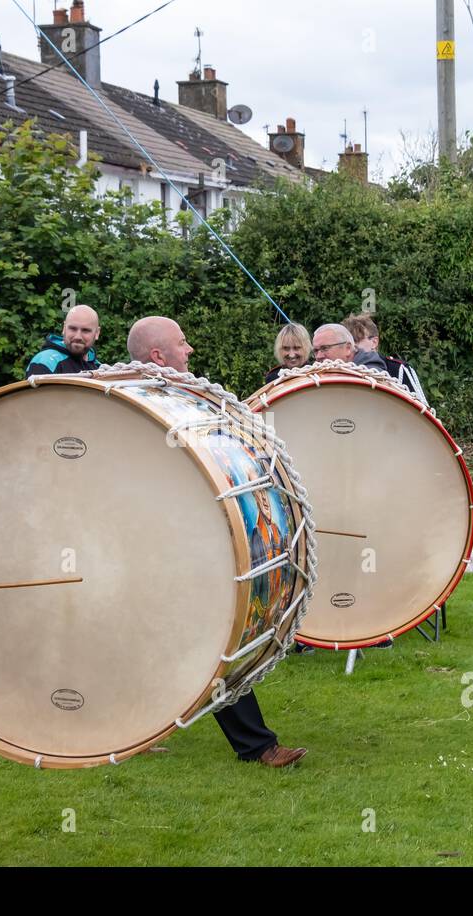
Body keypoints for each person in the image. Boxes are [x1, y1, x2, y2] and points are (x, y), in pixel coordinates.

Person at [127, 315, 307, 768]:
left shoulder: (173, 398)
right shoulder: (135, 402)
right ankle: (256, 746)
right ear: (158, 356)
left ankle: (135, 728)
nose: (189, 351)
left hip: (178, 539)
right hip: (144, 544)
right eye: (182, 343)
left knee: (173, 638)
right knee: (204, 638)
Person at [341, 313, 427, 401]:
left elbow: (420, 407)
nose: (352, 347)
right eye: (347, 343)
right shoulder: (340, 370)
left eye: (356, 340)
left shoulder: (397, 369)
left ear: (374, 342)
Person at [26, 305, 101, 376]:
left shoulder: (99, 369)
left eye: (85, 330)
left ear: (97, 333)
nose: (78, 336)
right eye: (73, 329)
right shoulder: (46, 361)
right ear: (64, 328)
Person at [310, 322, 388, 372]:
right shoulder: (315, 372)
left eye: (325, 348)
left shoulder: (372, 372)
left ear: (347, 348)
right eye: (316, 351)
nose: (319, 356)